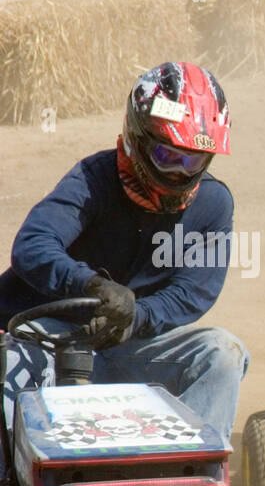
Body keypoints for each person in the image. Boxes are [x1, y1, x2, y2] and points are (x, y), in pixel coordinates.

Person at [0, 61, 248, 443]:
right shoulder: (93, 179)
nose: (180, 174)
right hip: (46, 338)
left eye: (193, 160)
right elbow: (32, 245)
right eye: (167, 156)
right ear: (137, 138)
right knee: (5, 365)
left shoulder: (213, 204)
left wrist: (135, 316)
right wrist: (93, 286)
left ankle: (192, 478)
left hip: (131, 344)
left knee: (222, 353)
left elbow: (193, 292)